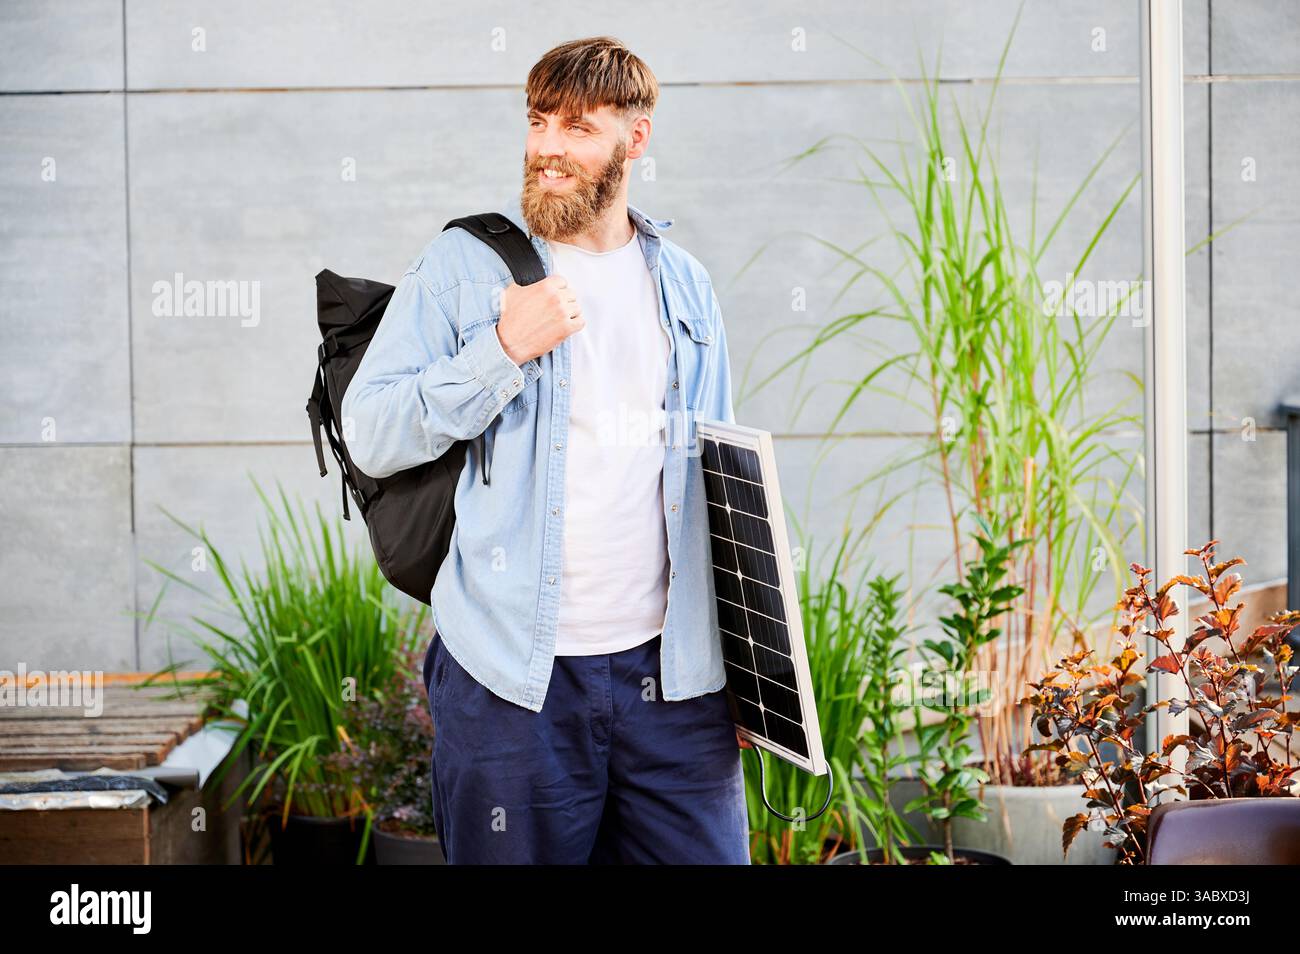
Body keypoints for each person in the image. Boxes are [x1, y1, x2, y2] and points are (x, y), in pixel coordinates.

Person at [342, 35, 750, 864]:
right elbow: (371, 432)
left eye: (577, 127)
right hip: (512, 687)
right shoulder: (464, 266)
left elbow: (721, 486)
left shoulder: (686, 286)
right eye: (538, 122)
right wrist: (499, 348)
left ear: (634, 141)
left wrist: (748, 670)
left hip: (674, 687)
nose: (549, 149)